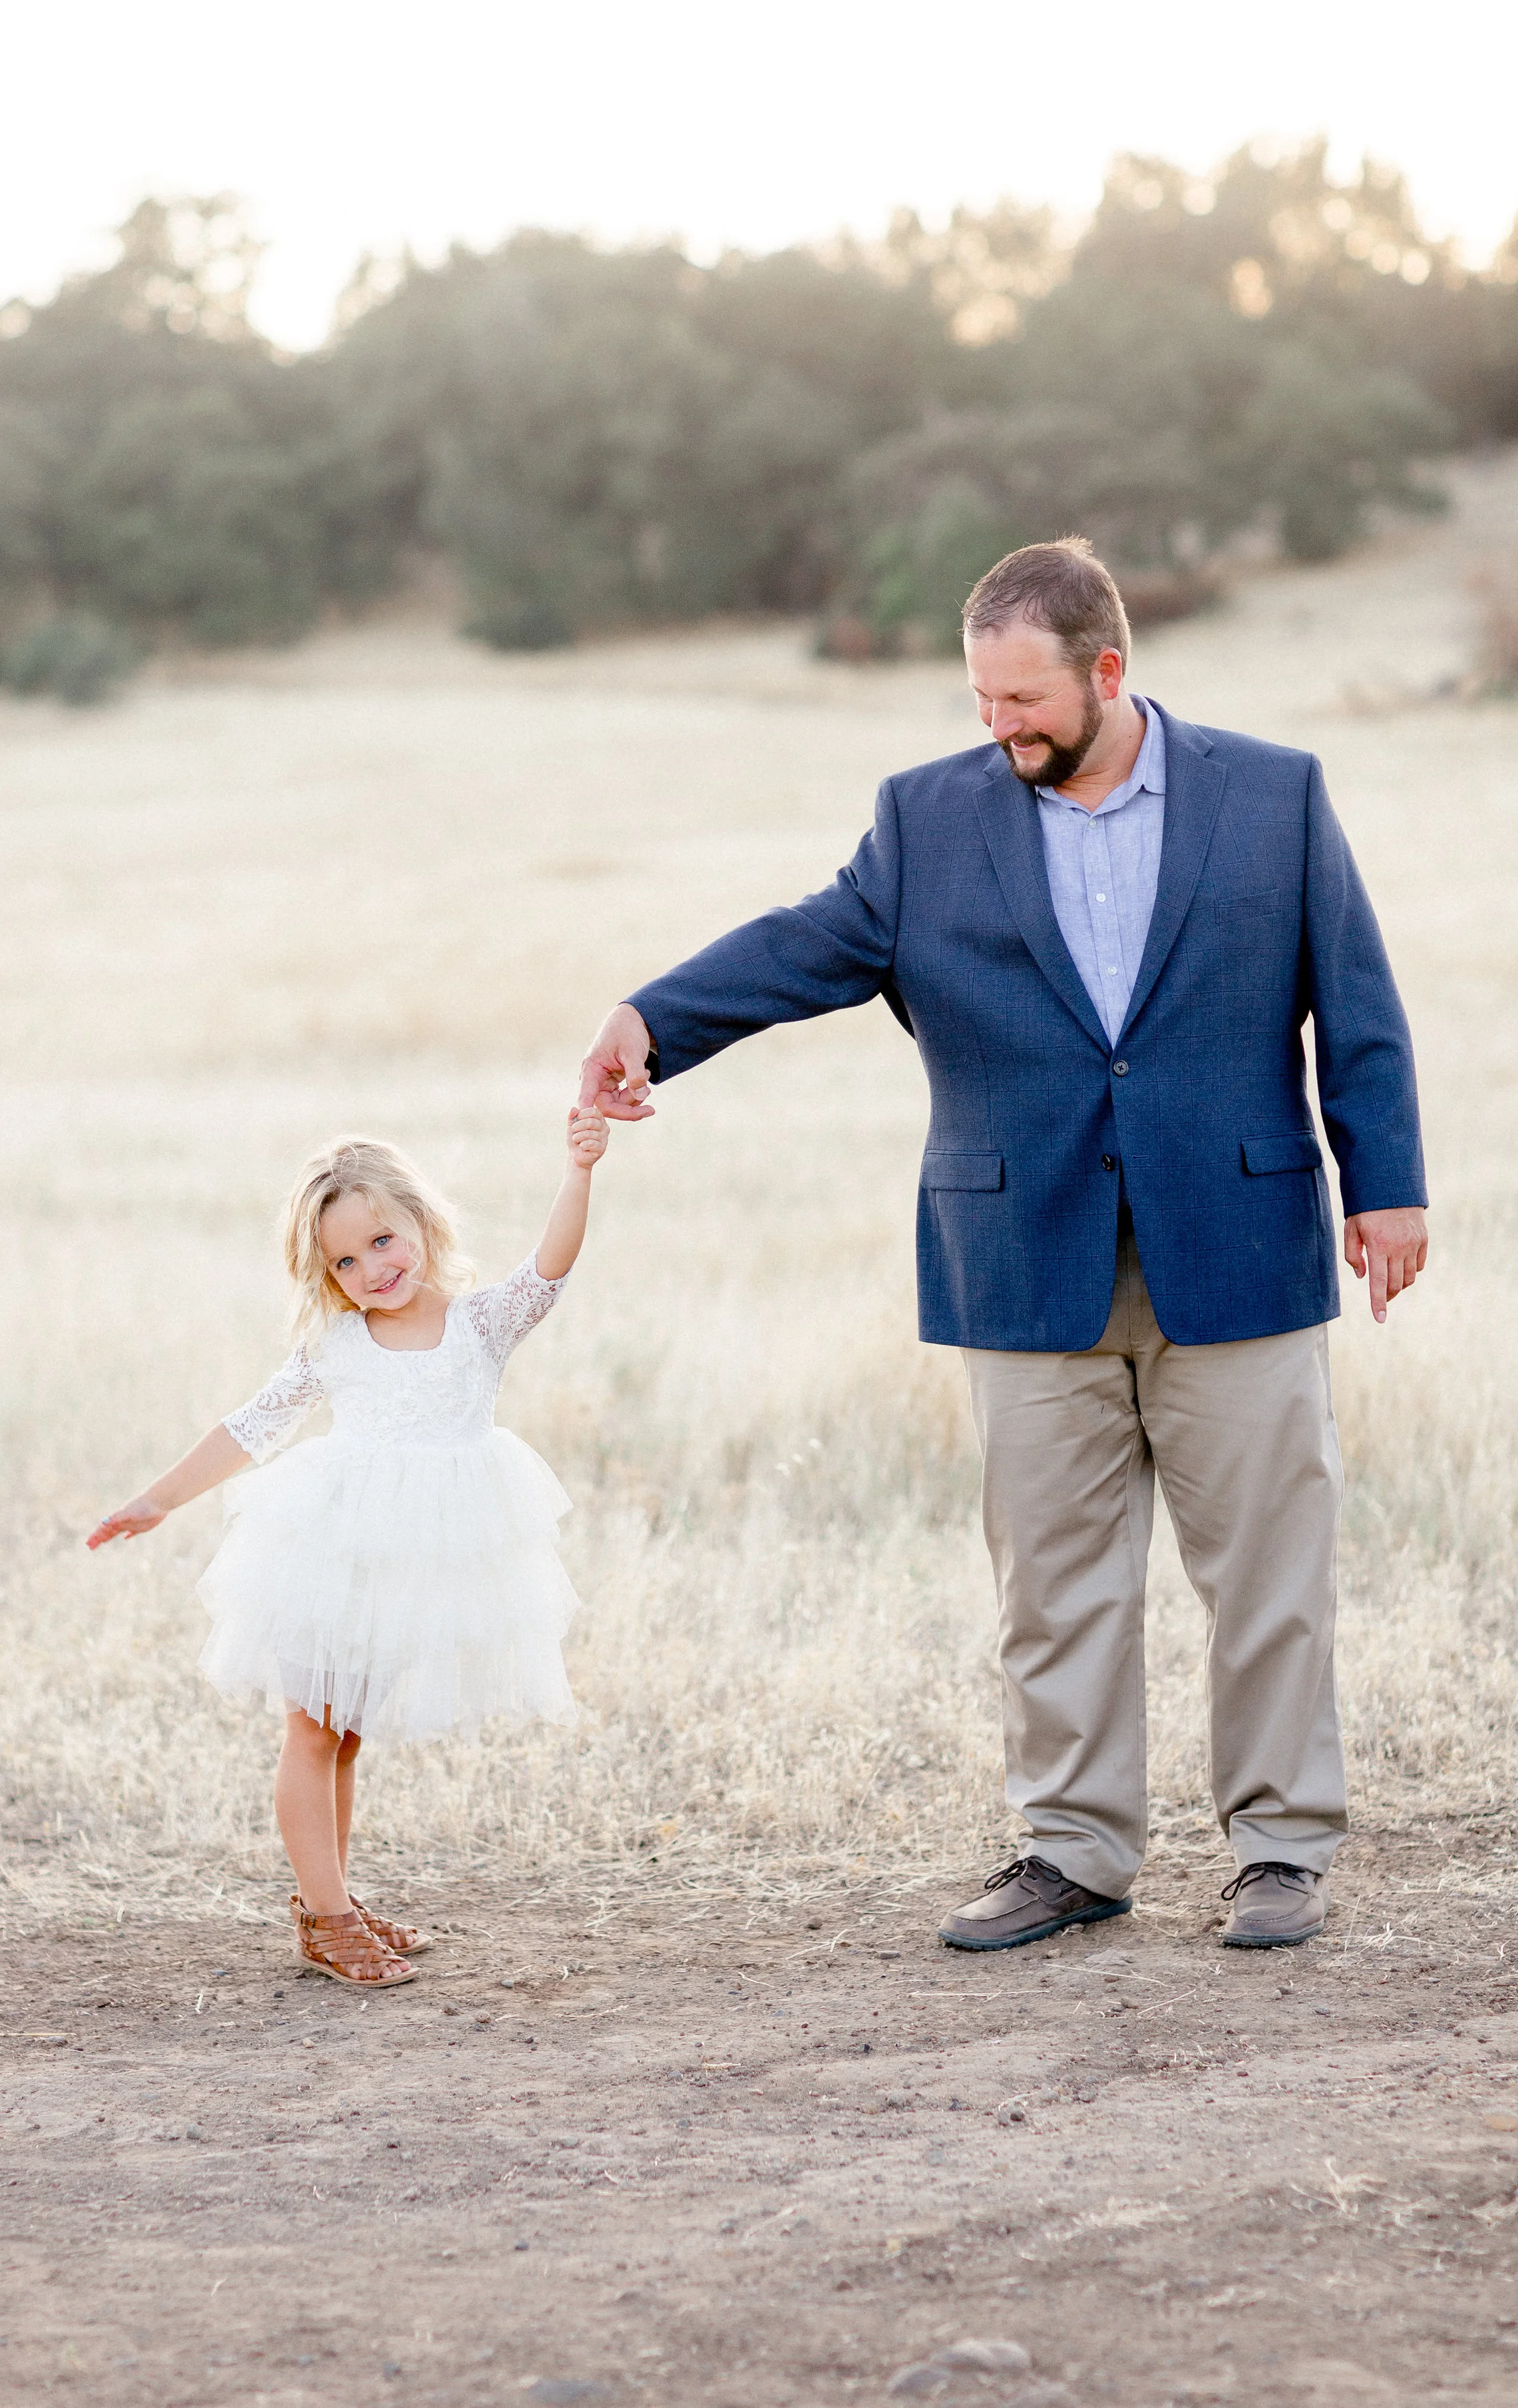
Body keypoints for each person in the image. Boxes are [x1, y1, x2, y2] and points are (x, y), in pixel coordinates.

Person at [579, 538, 1426, 1955]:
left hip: (1237, 1234)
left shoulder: (1270, 797)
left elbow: (1354, 1000)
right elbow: (808, 946)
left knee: (1267, 1574)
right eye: (979, 700)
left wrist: (1382, 1183)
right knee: (1051, 1580)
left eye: (1022, 701)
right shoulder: (926, 821)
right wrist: (652, 1017)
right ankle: (1072, 1853)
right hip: (1020, 1258)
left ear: (1108, 671)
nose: (998, 726)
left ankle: (1280, 1850)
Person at [87, 1114, 609, 1986]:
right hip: (328, 1556)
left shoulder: (479, 1323)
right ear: (325, 1275)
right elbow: (251, 1428)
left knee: (345, 1733)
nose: (373, 1269)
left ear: (421, 1222)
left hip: (405, 1565)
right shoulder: (335, 1344)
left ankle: (333, 1898)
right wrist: (159, 1498)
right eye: (345, 1262)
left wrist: (578, 1169)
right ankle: (326, 1918)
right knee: (312, 1729)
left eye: (381, 1240)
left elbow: (549, 1266)